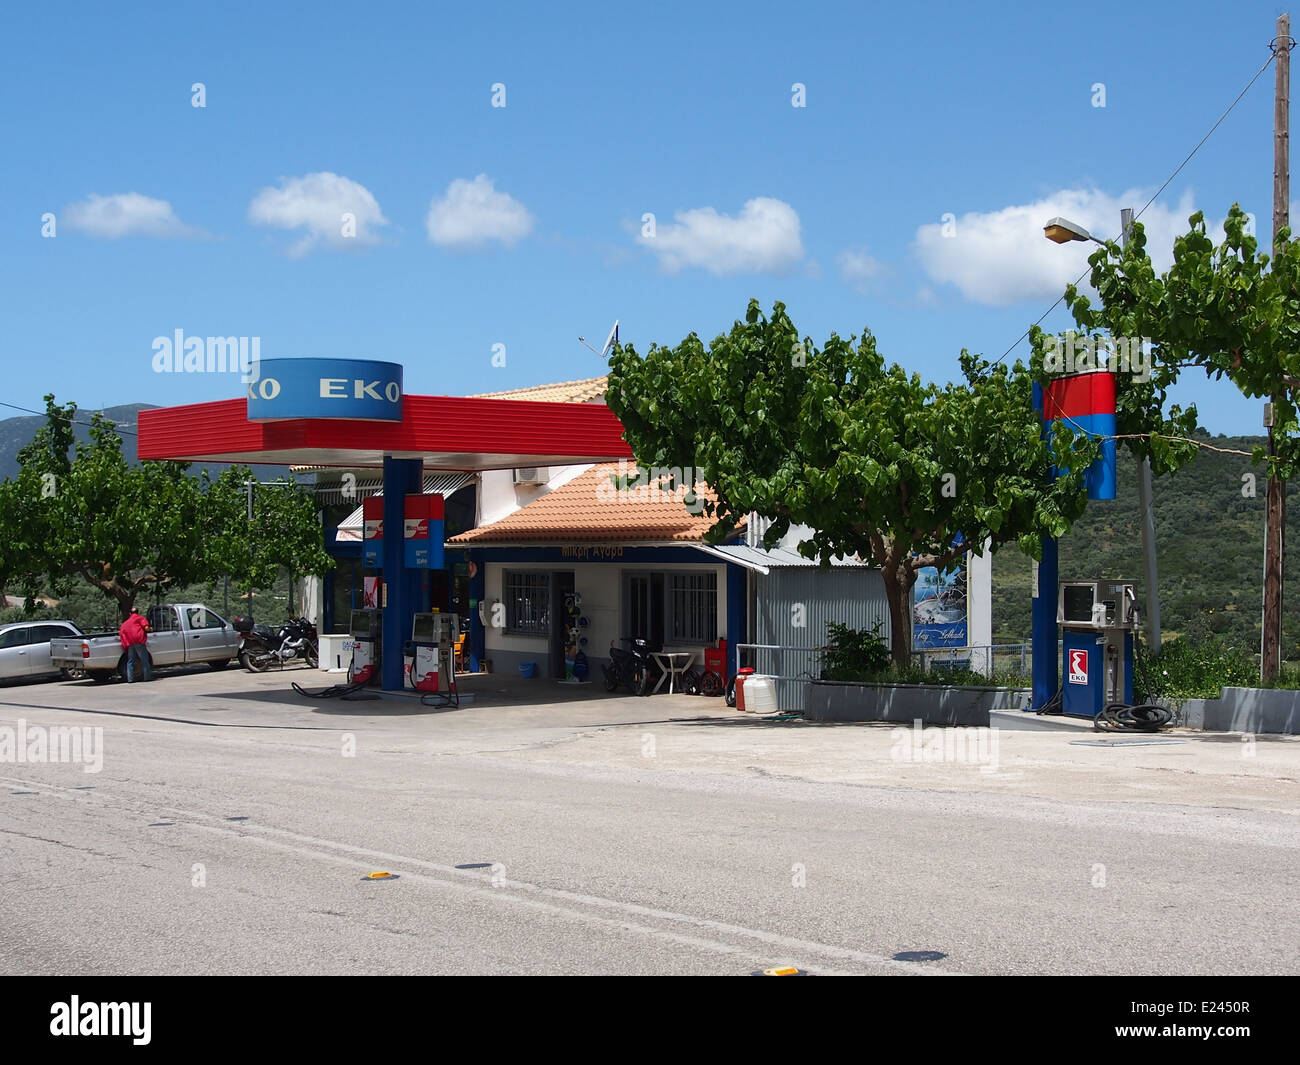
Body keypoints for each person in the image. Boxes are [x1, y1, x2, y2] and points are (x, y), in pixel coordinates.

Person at [119, 607, 152, 682]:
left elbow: (122, 632)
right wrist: (150, 629)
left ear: (130, 613)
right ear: (137, 612)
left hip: (130, 643)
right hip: (139, 642)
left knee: (130, 661)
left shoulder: (125, 623)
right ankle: (147, 677)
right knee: (144, 660)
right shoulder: (140, 618)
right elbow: (146, 628)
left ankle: (130, 679)